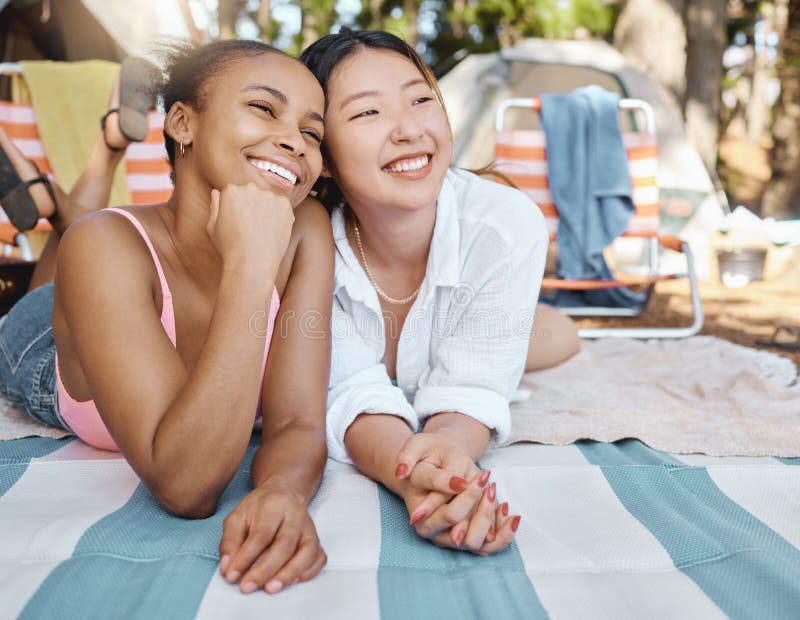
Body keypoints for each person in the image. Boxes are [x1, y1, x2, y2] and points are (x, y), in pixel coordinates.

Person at [0, 40, 333, 595]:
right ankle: (72, 199)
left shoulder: (307, 229)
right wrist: (250, 266)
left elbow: (297, 421)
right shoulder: (105, 245)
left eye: (313, 133)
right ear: (182, 122)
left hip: (108, 278)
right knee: (66, 264)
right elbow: (187, 484)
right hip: (38, 350)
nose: (294, 142)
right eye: (263, 108)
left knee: (78, 243)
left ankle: (68, 190)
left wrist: (282, 491)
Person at [299, 29, 579, 556]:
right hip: (409, 350)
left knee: (560, 337)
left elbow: (471, 391)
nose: (409, 129)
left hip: (478, 319)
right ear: (325, 155)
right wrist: (415, 477)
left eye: (421, 98)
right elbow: (352, 398)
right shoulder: (304, 242)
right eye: (367, 113)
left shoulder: (505, 224)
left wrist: (448, 457)